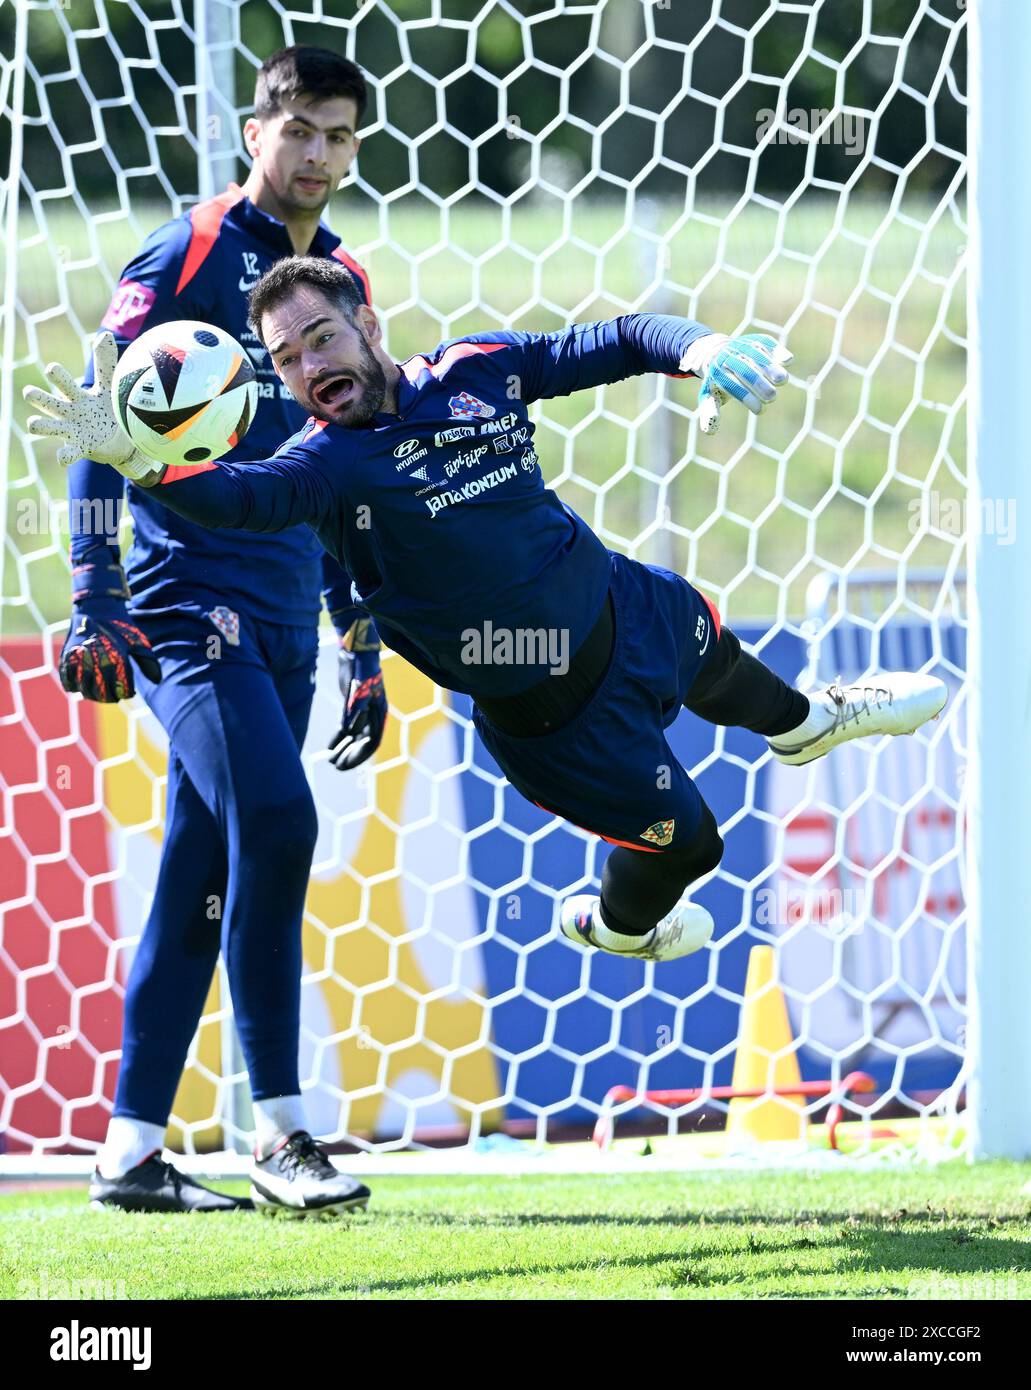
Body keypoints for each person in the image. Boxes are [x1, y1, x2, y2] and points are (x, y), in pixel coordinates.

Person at [28, 257, 947, 1008]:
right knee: (693, 844)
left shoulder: (473, 369)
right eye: (287, 358)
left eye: (322, 336)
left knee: (733, 673)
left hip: (623, 603)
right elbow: (235, 498)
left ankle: (808, 723)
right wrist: (138, 458)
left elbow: (616, 340)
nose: (310, 365)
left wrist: (701, 349)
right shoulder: (323, 466)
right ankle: (622, 929)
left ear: (367, 329)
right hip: (553, 716)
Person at [58, 54, 386, 1217]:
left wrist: (360, 630)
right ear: (255, 130)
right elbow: (98, 422)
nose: (315, 157)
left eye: (339, 137)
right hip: (183, 607)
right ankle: (282, 1131)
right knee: (279, 817)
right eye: (297, 129)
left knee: (200, 872)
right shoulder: (183, 255)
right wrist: (94, 586)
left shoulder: (340, 284)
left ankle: (129, 1152)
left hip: (290, 610)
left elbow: (350, 467)